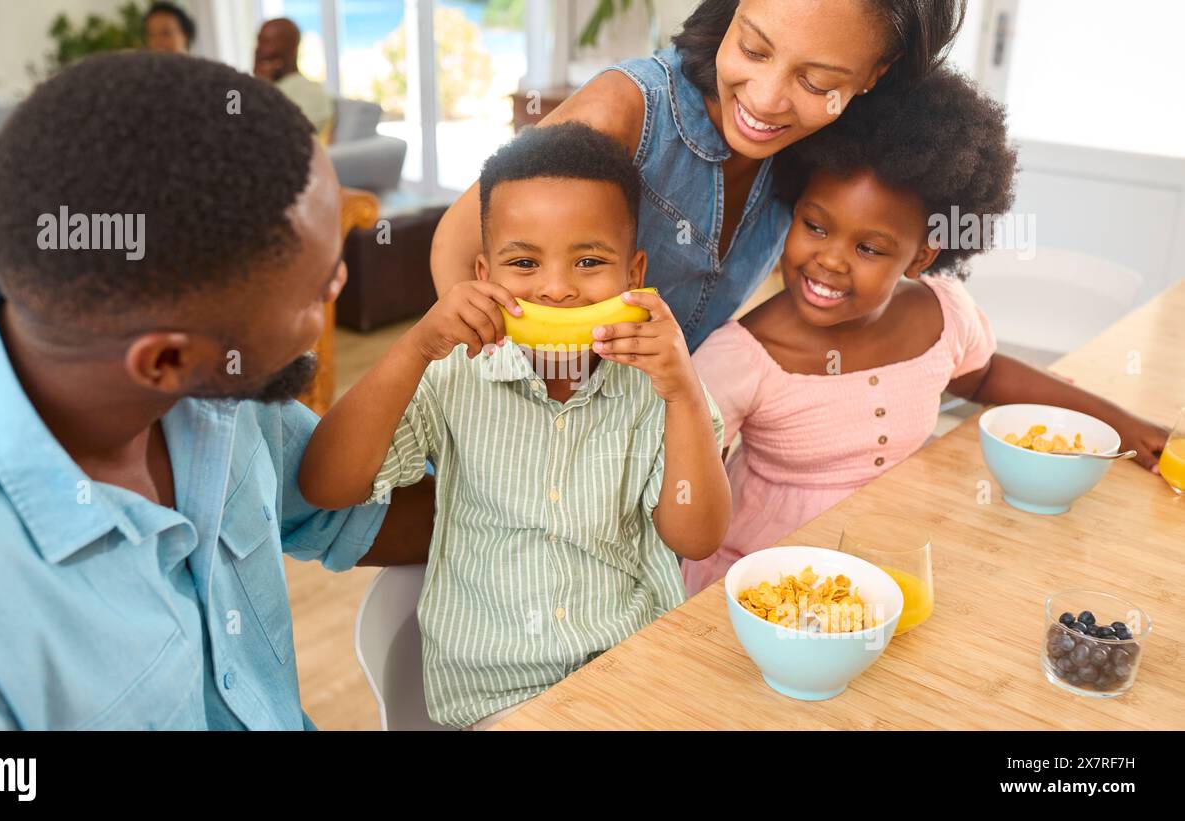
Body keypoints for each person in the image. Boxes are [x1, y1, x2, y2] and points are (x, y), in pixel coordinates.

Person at [0, 52, 433, 729]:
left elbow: (345, 505)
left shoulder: (211, 386)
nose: (337, 288)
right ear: (167, 361)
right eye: (318, 287)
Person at [301, 123, 731, 729]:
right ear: (483, 275)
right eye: (523, 262)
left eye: (589, 261)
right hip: (493, 698)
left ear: (633, 274)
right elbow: (326, 485)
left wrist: (683, 393)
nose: (556, 289)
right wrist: (416, 346)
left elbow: (697, 537)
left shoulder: (658, 387)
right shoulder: (452, 372)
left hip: (633, 676)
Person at [681, 68, 1170, 595]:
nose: (829, 260)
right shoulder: (742, 357)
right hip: (765, 584)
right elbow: (682, 493)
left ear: (921, 256)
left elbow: (983, 378)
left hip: (893, 565)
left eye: (869, 248)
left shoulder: (941, 313)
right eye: (815, 226)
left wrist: (1126, 425)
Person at [430, 0, 968, 352]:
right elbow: (456, 248)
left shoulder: (828, 153)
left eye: (816, 80)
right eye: (753, 49)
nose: (764, 100)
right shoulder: (626, 111)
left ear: (878, 73)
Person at [254, 17, 334, 140]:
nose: (258, 49)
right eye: (259, 41)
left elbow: (285, 138)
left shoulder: (310, 91)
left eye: (267, 42)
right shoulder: (254, 87)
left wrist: (264, 89)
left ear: (291, 48)